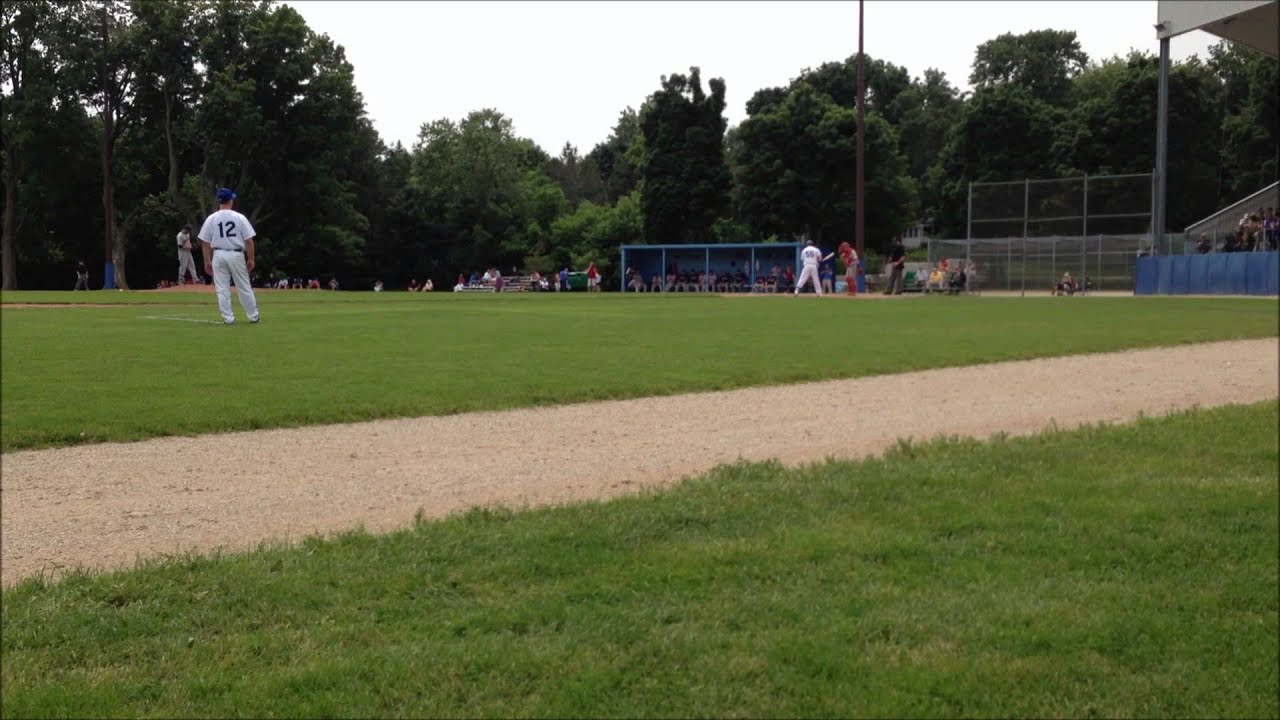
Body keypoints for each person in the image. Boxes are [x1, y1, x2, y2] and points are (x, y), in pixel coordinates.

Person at [198, 188, 260, 325]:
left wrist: (207, 261)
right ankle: (253, 316)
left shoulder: (211, 218)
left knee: (222, 288)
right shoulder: (239, 217)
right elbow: (249, 240)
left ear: (219, 201)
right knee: (243, 286)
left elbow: (205, 243)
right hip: (236, 253)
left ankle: (228, 318)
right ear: (230, 201)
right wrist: (251, 259)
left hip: (218, 254)